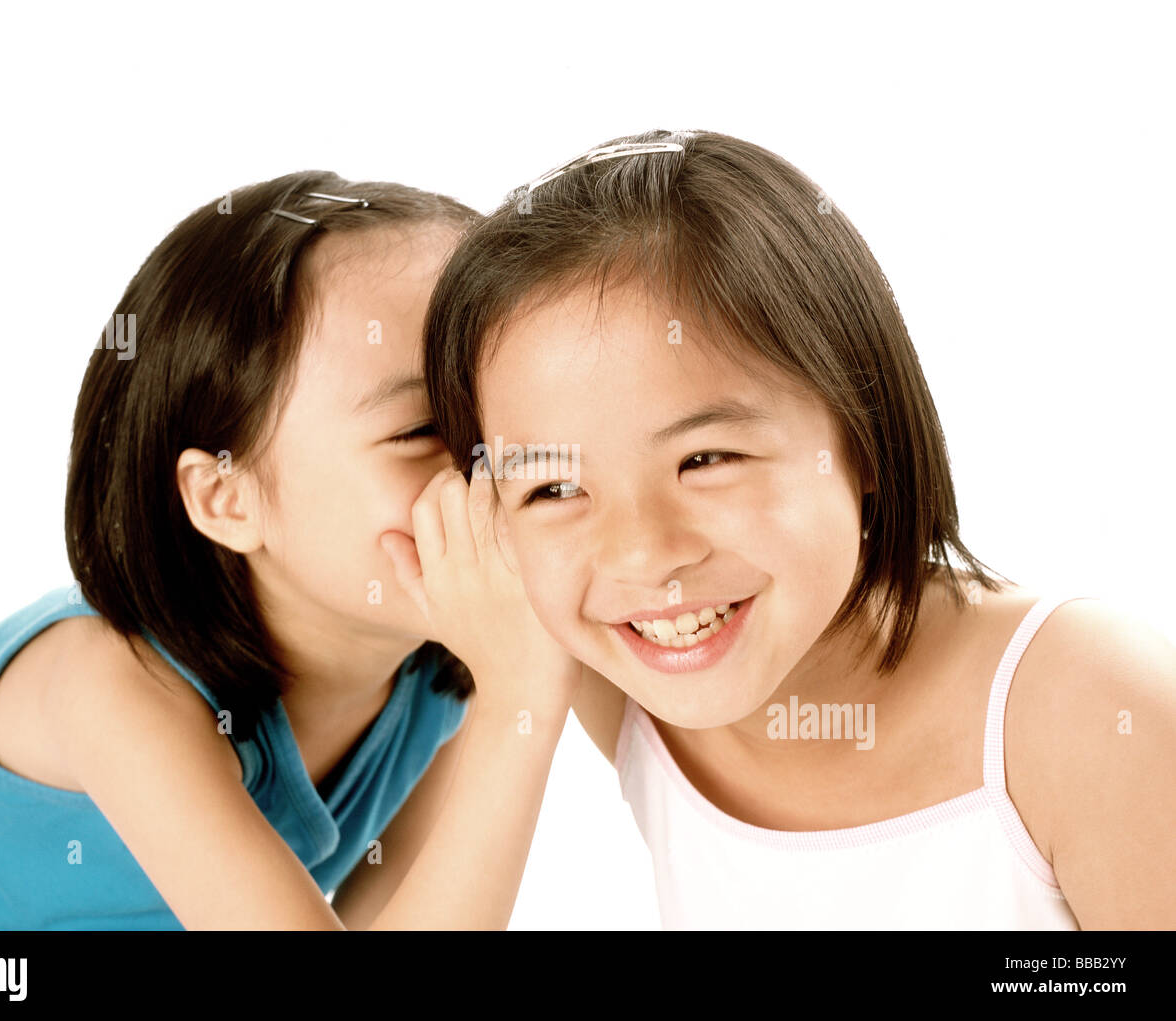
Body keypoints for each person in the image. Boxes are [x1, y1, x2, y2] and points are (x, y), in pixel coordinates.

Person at [421, 129, 1176, 929]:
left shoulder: (1086, 706)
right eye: (556, 486)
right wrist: (515, 702)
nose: (643, 552)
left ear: (867, 434)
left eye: (707, 457)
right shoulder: (619, 674)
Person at [0, 171, 579, 930]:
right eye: (418, 430)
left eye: (504, 408)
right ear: (226, 498)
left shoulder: (452, 669)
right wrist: (523, 701)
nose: (490, 463)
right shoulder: (110, 684)